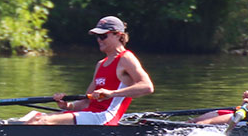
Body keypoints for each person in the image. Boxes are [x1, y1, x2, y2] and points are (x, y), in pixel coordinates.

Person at [21, 16, 154, 125]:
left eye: (103, 36)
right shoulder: (100, 64)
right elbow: (86, 102)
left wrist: (112, 93)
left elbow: (147, 87)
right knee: (35, 118)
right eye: (96, 36)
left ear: (118, 35)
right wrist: (67, 105)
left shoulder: (126, 58)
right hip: (90, 114)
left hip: (104, 117)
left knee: (41, 121)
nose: (98, 40)